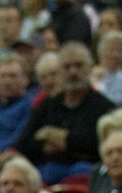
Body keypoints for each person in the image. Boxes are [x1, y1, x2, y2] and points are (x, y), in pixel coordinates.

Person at [16, 41, 113, 184]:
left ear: (89, 68)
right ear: (60, 71)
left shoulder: (104, 107)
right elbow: (23, 143)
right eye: (67, 67)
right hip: (46, 172)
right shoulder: (47, 105)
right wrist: (48, 146)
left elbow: (99, 144)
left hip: (86, 172)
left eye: (78, 66)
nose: (73, 72)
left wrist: (58, 137)